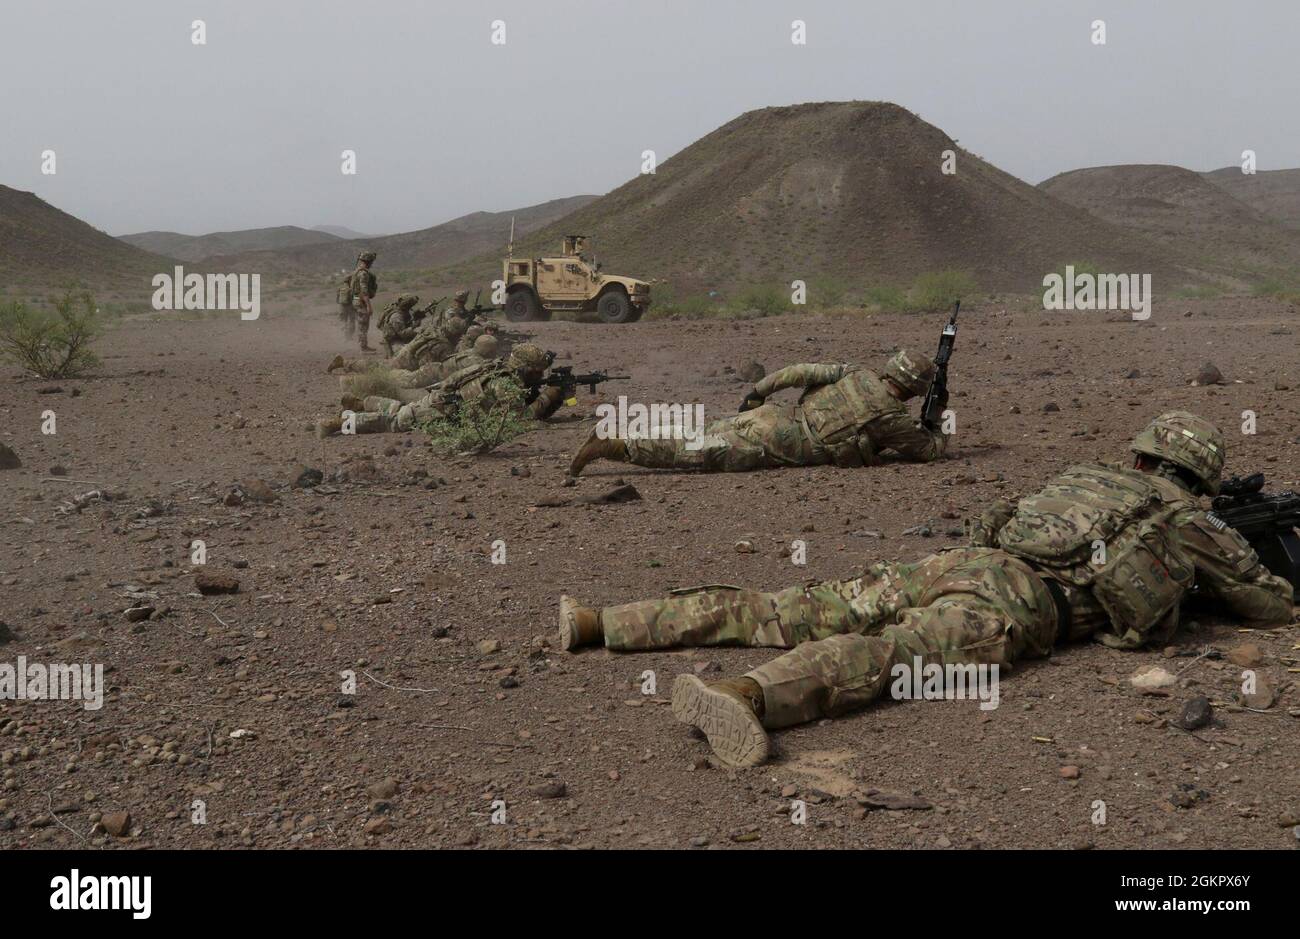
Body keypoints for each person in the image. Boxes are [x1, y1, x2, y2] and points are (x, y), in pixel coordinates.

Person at [557, 412, 1293, 767]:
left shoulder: (1087, 476)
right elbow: (1267, 605)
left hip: (960, 562)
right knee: (890, 655)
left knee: (793, 604)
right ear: (1200, 477)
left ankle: (599, 621)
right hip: (1014, 603)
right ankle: (746, 695)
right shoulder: (1189, 518)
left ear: (1143, 452)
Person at [567, 349, 947, 476]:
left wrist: (757, 392)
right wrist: (938, 417)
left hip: (773, 416)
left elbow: (797, 372)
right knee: (695, 452)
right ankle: (613, 447)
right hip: (782, 442)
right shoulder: (894, 420)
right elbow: (929, 451)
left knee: (701, 432)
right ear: (915, 389)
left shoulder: (855, 373)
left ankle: (626, 432)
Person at [316, 343, 565, 436]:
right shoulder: (505, 384)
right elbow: (520, 420)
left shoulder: (500, 369)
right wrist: (548, 398)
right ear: (524, 369)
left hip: (443, 400)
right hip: (443, 409)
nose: (539, 375)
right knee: (396, 423)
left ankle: (363, 402)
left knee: (405, 410)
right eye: (536, 371)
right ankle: (341, 423)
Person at [336, 250, 378, 350]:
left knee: (358, 322)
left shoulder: (357, 271)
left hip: (355, 299)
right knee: (363, 324)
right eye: (371, 261)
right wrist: (368, 306)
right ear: (369, 261)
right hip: (360, 300)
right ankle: (363, 347)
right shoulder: (363, 273)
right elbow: (364, 290)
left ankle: (358, 343)